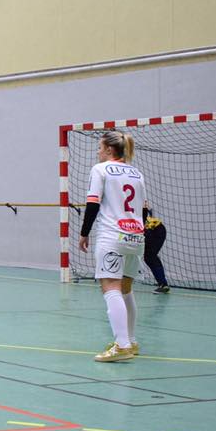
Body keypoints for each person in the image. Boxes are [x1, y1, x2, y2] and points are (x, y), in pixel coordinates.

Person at [78, 131, 146, 362]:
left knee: (111, 288)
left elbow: (93, 203)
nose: (98, 152)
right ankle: (131, 340)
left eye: (100, 147)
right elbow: (144, 209)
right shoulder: (136, 173)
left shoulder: (101, 169)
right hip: (136, 236)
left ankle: (122, 345)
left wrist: (84, 233)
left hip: (112, 236)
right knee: (126, 288)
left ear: (109, 149)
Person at [142, 204, 170, 294]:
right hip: (151, 230)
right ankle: (163, 284)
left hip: (155, 230)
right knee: (150, 257)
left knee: (150, 257)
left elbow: (145, 210)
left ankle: (163, 285)